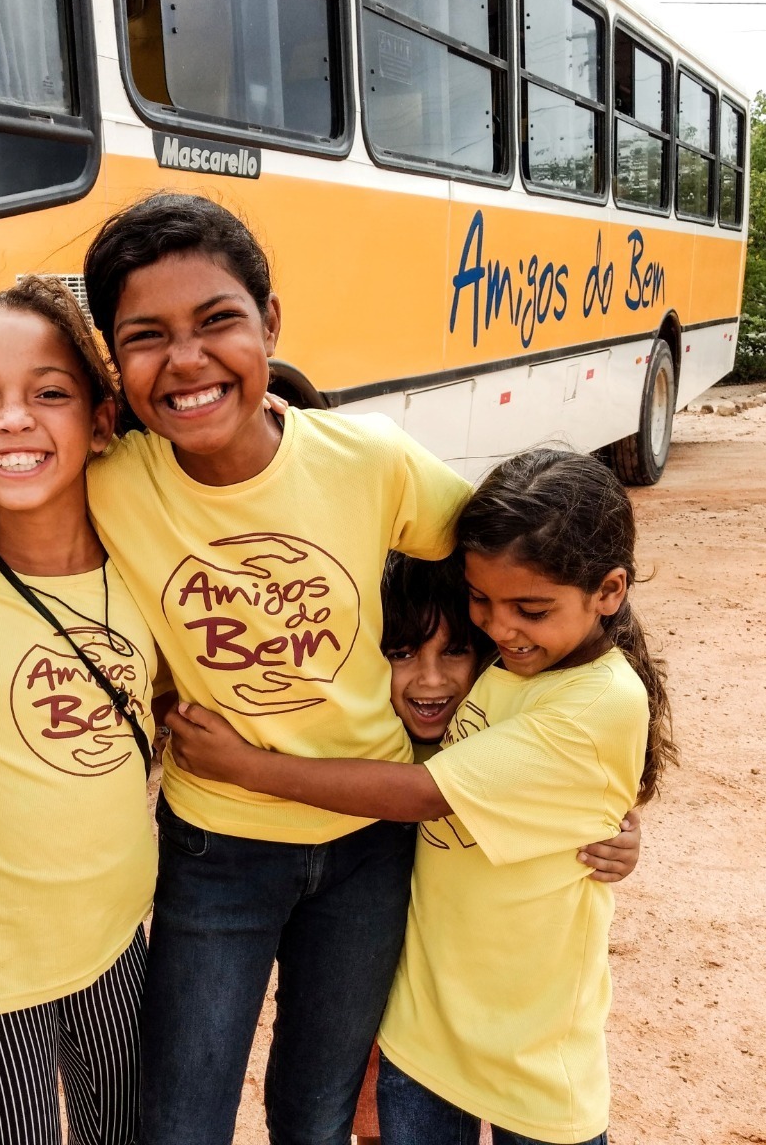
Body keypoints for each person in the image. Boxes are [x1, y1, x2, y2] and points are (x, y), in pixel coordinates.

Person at [75, 192, 470, 1145]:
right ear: (114, 361)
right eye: (146, 336)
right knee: (183, 1117)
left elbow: (535, 563)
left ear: (270, 326)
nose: (186, 360)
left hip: (371, 842)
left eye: (218, 321)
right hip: (215, 853)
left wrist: (599, 768)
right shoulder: (103, 482)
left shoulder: (370, 462)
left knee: (317, 1110)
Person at [167, 448, 675, 1145]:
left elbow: (422, 793)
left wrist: (243, 765)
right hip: (424, 1044)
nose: (500, 626)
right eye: (483, 603)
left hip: (533, 1056)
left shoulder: (590, 699)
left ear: (610, 593)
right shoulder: (511, 668)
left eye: (528, 608)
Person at [0, 276, 157, 1145]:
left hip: (121, 939)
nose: (13, 420)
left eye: (50, 393)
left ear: (100, 419)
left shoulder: (151, 566)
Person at [349, 552, 643, 1143]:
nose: (430, 680)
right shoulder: (360, 741)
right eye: (400, 653)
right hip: (408, 1034)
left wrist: (624, 838)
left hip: (530, 1054)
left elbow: (582, 790)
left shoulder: (514, 715)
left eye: (455, 650)